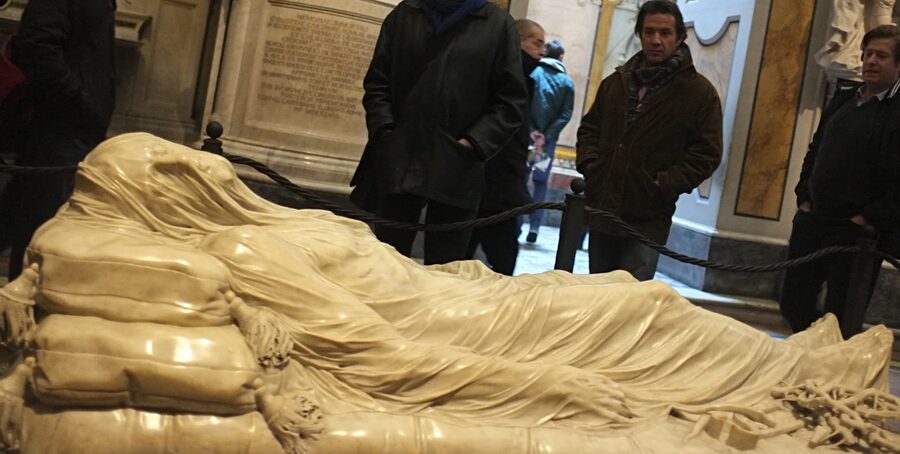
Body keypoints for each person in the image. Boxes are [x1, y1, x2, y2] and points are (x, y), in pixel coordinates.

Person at [19, 132, 894, 452]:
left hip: (472, 293)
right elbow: (388, 356)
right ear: (167, 196)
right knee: (642, 309)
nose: (203, 163)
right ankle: (780, 380)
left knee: (642, 305)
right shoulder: (248, 257)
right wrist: (564, 392)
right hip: (491, 325)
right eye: (178, 166)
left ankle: (783, 372)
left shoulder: (270, 231)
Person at [349, 0, 527, 265]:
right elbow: (378, 82)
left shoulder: (497, 24)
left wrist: (474, 143)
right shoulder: (407, 13)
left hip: (456, 163)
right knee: (386, 262)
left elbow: (511, 101)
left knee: (445, 267)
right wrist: (386, 130)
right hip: (400, 156)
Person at [576, 0, 722, 281]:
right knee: (596, 294)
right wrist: (591, 164)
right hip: (604, 207)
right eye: (649, 32)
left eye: (665, 33)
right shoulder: (615, 83)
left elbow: (706, 154)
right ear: (640, 35)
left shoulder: (698, 92)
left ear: (679, 37)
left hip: (648, 215)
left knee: (632, 299)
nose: (656, 40)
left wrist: (662, 184)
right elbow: (590, 129)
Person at [780, 24, 900, 333]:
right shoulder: (845, 98)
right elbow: (816, 148)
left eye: (882, 56)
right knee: (793, 303)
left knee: (841, 317)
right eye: (868, 53)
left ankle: (826, 372)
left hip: (856, 233)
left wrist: (867, 218)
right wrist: (803, 196)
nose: (871, 61)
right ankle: (808, 356)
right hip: (813, 220)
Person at [0, 0, 116, 280]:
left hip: (71, 131)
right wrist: (81, 104)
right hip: (57, 131)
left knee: (34, 225)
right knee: (43, 238)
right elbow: (37, 49)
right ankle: (28, 315)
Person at [465, 19, 544, 275]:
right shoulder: (508, 75)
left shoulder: (524, 77)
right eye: (537, 43)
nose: (543, 51)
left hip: (496, 186)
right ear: (517, 42)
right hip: (494, 186)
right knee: (500, 260)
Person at [525, 39, 575, 244]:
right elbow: (565, 114)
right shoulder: (567, 83)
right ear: (561, 57)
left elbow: (523, 102)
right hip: (544, 143)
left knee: (520, 179)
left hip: (527, 137)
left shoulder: (533, 74)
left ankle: (515, 224)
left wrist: (532, 131)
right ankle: (535, 226)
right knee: (539, 182)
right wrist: (546, 135)